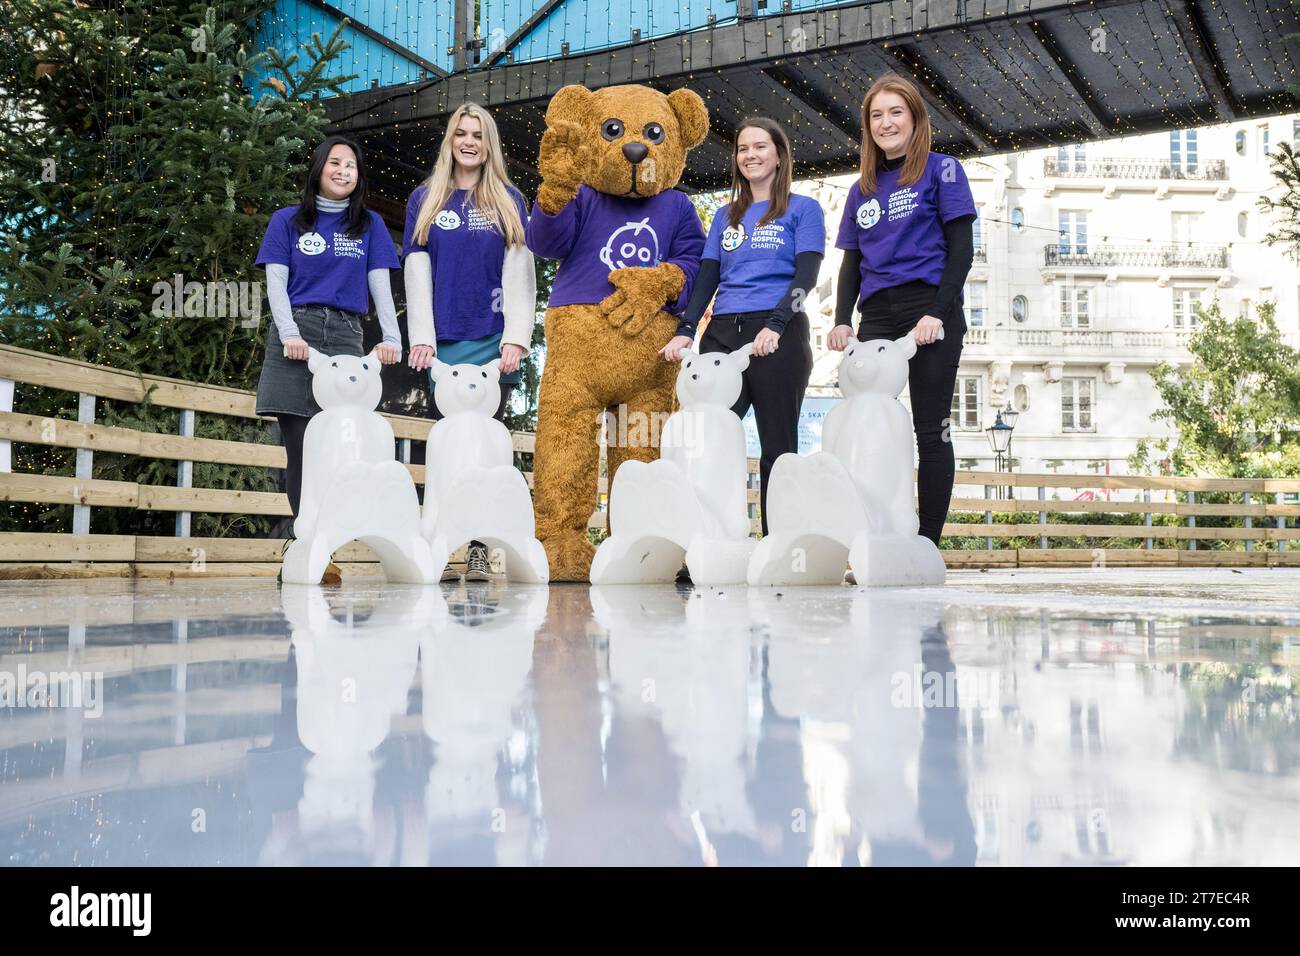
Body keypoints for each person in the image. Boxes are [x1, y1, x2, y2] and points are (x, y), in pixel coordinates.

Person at [829, 73, 976, 555]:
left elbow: (961, 251)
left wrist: (936, 312)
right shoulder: (861, 190)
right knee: (873, 428)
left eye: (896, 112)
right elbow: (852, 261)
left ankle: (925, 545)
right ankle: (876, 537)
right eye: (876, 115)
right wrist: (842, 319)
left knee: (930, 428)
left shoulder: (944, 170)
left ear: (915, 119)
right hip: (877, 318)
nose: (886, 122)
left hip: (929, 310)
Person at [660, 117, 824, 542]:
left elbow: (806, 277)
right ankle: (705, 542)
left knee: (778, 447)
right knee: (709, 441)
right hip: (723, 336)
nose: (750, 155)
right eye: (743, 148)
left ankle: (779, 546)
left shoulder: (803, 210)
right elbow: (708, 276)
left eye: (760, 147)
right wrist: (686, 329)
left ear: (779, 155)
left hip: (777, 335)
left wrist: (776, 324)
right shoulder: (724, 217)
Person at [254, 135, 402, 581]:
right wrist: (289, 334)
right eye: (334, 163)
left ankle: (325, 545)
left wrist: (391, 336)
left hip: (345, 337)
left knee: (335, 451)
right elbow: (276, 285)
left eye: (351, 166)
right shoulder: (287, 222)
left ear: (359, 176)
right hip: (295, 335)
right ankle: (306, 546)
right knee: (301, 449)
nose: (342, 171)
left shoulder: (370, 225)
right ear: (319, 168)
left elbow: (380, 285)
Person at [402, 102, 536, 583]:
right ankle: (441, 542)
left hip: (493, 344)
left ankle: (479, 549)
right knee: (448, 451)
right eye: (461, 133)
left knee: (486, 454)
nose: (469, 142)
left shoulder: (508, 199)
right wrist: (422, 337)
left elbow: (521, 272)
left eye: (478, 134)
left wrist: (517, 338)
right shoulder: (426, 198)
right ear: (450, 141)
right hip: (444, 347)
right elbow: (416, 270)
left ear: (489, 143)